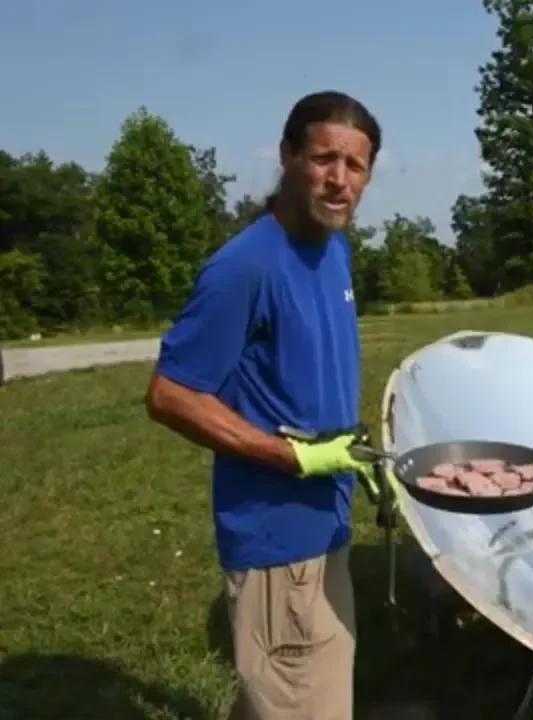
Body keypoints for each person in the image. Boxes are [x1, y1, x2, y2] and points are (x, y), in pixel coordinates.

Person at [144, 90, 387, 720]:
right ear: (287, 157)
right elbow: (170, 394)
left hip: (325, 526)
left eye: (355, 166)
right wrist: (293, 457)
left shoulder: (333, 248)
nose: (339, 180)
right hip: (280, 546)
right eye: (324, 158)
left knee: (278, 699)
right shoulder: (245, 266)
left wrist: (350, 451)